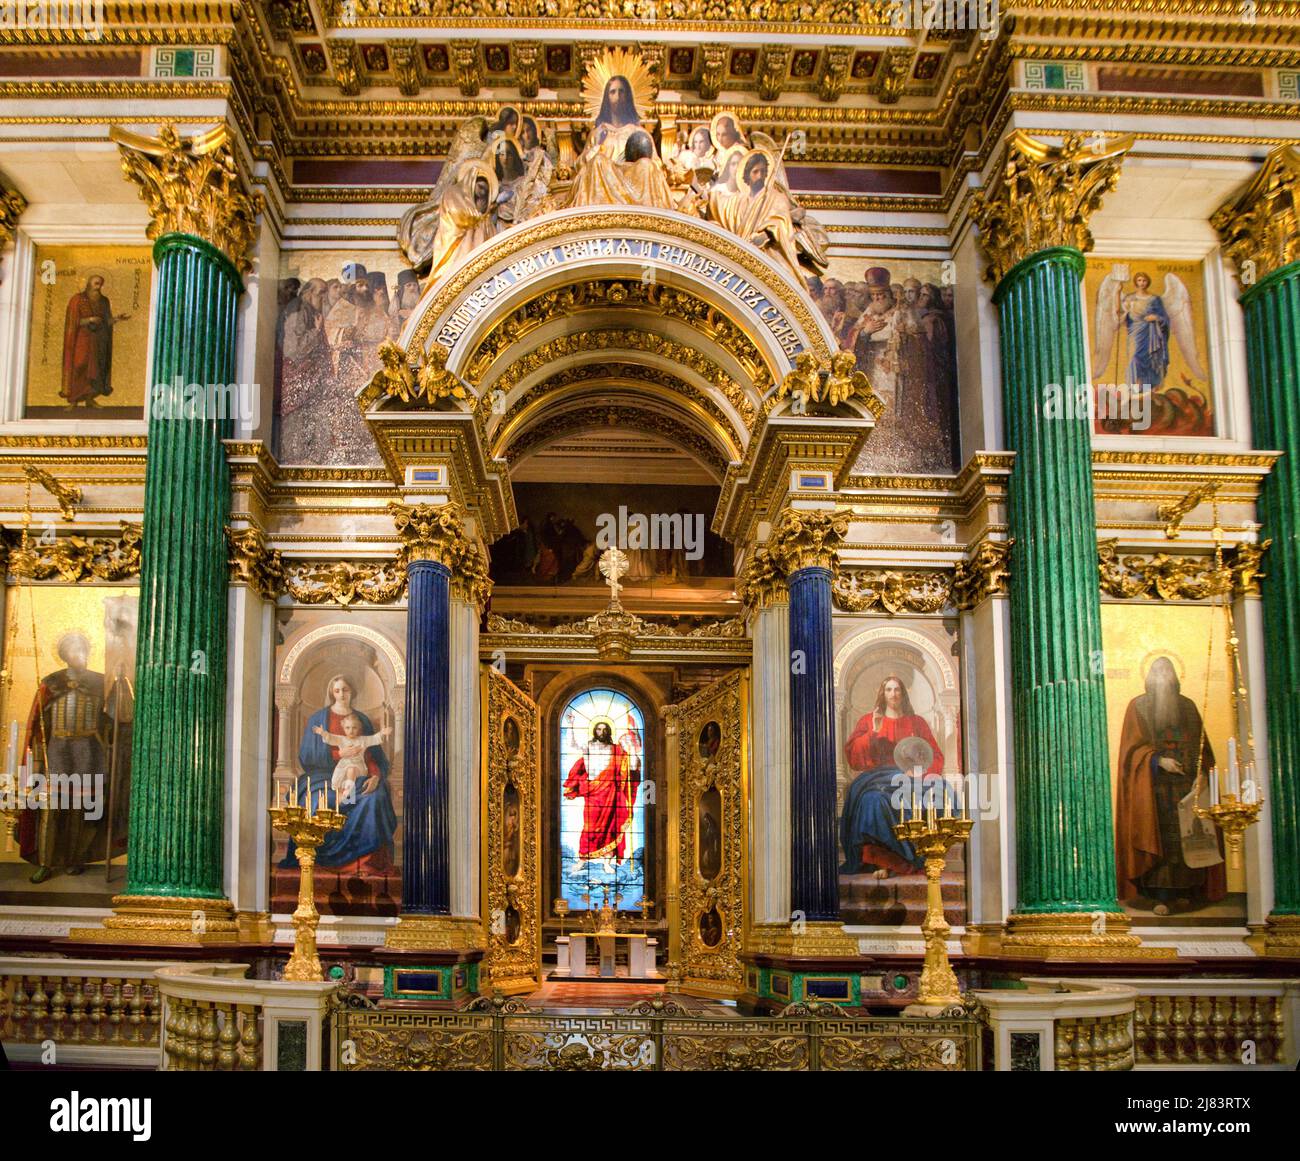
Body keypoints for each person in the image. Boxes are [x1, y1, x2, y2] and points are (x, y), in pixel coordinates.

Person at [1115, 656, 1225, 914]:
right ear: (1150, 678)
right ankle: (1159, 896)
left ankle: (1186, 892)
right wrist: (1158, 760)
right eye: (1158, 672)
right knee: (1161, 840)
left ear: (1175, 677)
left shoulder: (1187, 707)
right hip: (1153, 791)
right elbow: (1131, 752)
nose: (1163, 676)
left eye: (1168, 671)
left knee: (1189, 836)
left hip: (1187, 790)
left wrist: (1202, 774)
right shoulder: (1138, 707)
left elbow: (1202, 749)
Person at [18, 632, 123, 883]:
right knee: (51, 809)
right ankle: (46, 862)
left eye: (83, 650)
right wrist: (38, 762)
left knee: (81, 808)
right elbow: (37, 724)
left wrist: (121, 684)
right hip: (58, 750)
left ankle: (75, 858)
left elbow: (120, 718)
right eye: (75, 650)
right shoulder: (51, 683)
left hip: (89, 750)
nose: (80, 655)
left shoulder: (102, 682)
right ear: (65, 655)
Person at [280, 674, 397, 875]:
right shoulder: (319, 719)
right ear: (331, 693)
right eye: (337, 690)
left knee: (375, 798)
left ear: (352, 692)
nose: (341, 694)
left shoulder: (362, 720)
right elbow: (307, 756)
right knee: (318, 800)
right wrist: (338, 754)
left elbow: (374, 755)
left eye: (345, 690)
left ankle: (365, 862)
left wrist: (376, 776)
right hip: (324, 777)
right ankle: (315, 860)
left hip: (360, 775)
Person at [839, 675, 945, 878]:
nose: (893, 694)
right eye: (888, 689)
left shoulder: (917, 723)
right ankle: (883, 861)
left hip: (910, 779)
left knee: (909, 799)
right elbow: (854, 757)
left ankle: (896, 861)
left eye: (897, 689)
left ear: (903, 694)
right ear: (882, 694)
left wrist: (921, 772)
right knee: (872, 800)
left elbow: (935, 755)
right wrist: (874, 731)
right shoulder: (868, 721)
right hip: (876, 779)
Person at [562, 74, 676, 209]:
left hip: (634, 180)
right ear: (606, 98)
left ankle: (645, 215)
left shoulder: (639, 133)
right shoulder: (598, 133)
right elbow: (581, 166)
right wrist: (598, 145)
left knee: (646, 165)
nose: (618, 96)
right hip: (605, 178)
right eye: (613, 92)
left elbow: (656, 166)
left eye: (622, 91)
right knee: (598, 161)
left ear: (628, 97)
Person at [563, 719, 641, 866]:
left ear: (609, 732)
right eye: (599, 729)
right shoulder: (588, 746)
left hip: (611, 793)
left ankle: (607, 863)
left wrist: (632, 751)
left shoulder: (617, 749)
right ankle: (582, 860)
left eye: (605, 730)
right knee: (589, 827)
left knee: (610, 827)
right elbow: (572, 744)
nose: (602, 732)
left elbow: (632, 766)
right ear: (594, 731)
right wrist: (571, 724)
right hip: (593, 792)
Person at [61, 274, 130, 407]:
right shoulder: (77, 299)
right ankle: (74, 400)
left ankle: (89, 399)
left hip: (98, 340)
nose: (98, 287)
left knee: (95, 369)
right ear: (88, 284)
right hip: (81, 339)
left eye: (100, 284)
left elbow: (106, 321)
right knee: (79, 366)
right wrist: (90, 319)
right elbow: (72, 321)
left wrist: (117, 319)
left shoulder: (104, 301)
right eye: (95, 284)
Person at [312, 714, 392, 802]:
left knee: (352, 770)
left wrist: (382, 733)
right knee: (339, 785)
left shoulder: (363, 740)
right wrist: (322, 733)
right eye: (348, 728)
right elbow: (330, 738)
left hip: (358, 765)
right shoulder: (341, 739)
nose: (351, 731)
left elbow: (374, 738)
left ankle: (348, 793)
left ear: (359, 728)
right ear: (343, 728)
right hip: (343, 765)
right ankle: (341, 800)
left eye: (354, 728)